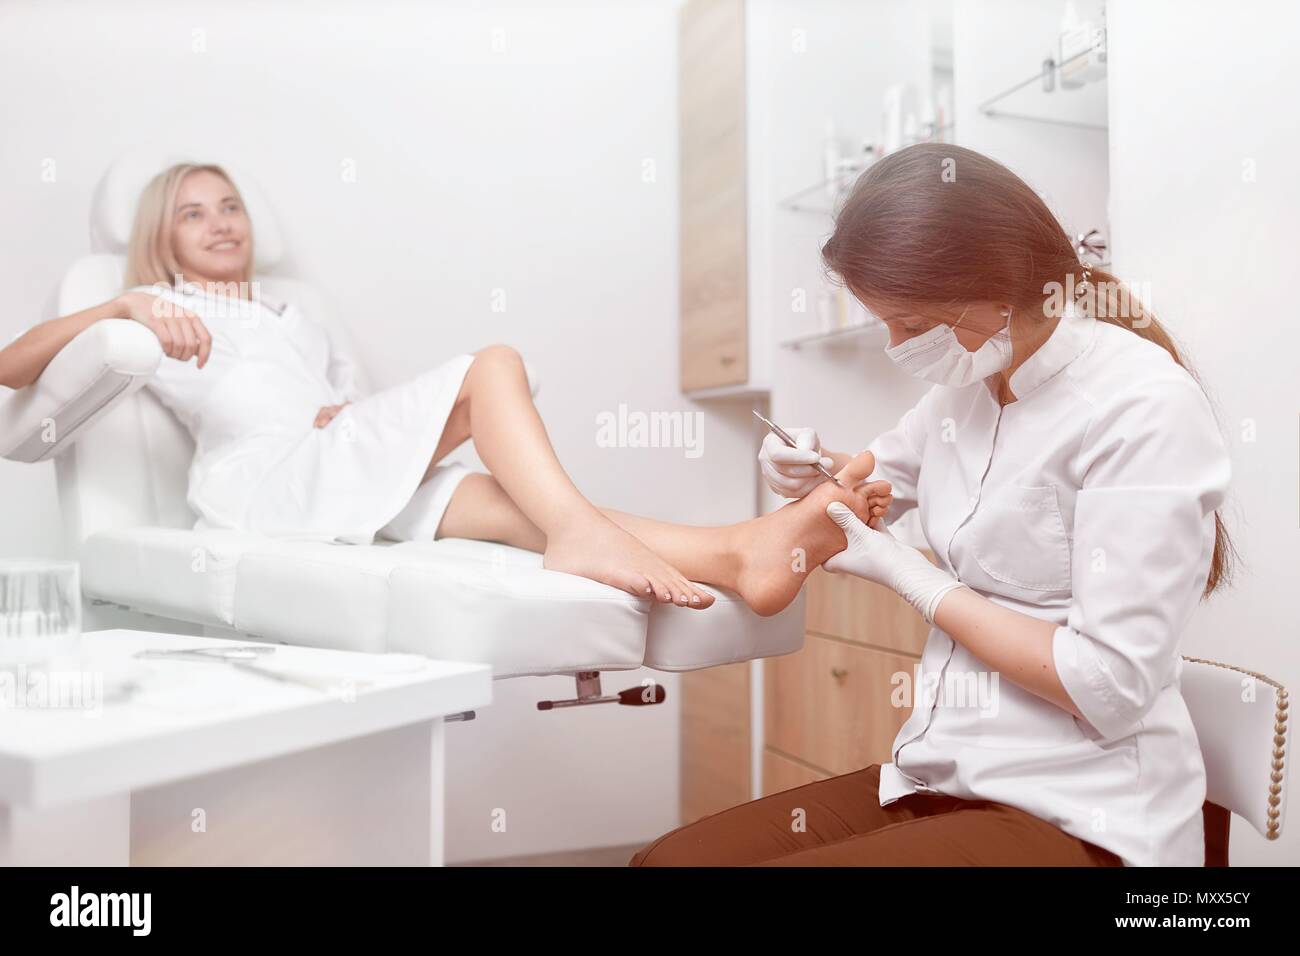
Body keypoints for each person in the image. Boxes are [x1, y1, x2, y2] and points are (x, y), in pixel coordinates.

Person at [631, 143, 1233, 866]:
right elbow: (865, 479)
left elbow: (1108, 688)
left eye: (912, 325)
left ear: (1000, 284)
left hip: (1082, 819)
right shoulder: (966, 390)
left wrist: (917, 580)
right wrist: (808, 468)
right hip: (942, 775)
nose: (897, 347)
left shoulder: (1142, 407)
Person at [0, 162, 892, 617]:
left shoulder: (293, 311)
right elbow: (11, 365)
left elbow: (334, 402)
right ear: (163, 234)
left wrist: (346, 412)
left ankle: (742, 552)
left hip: (327, 462)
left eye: (228, 204)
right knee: (491, 364)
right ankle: (582, 536)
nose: (220, 222)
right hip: (263, 486)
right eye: (193, 212)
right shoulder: (157, 303)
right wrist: (125, 308)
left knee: (503, 503)